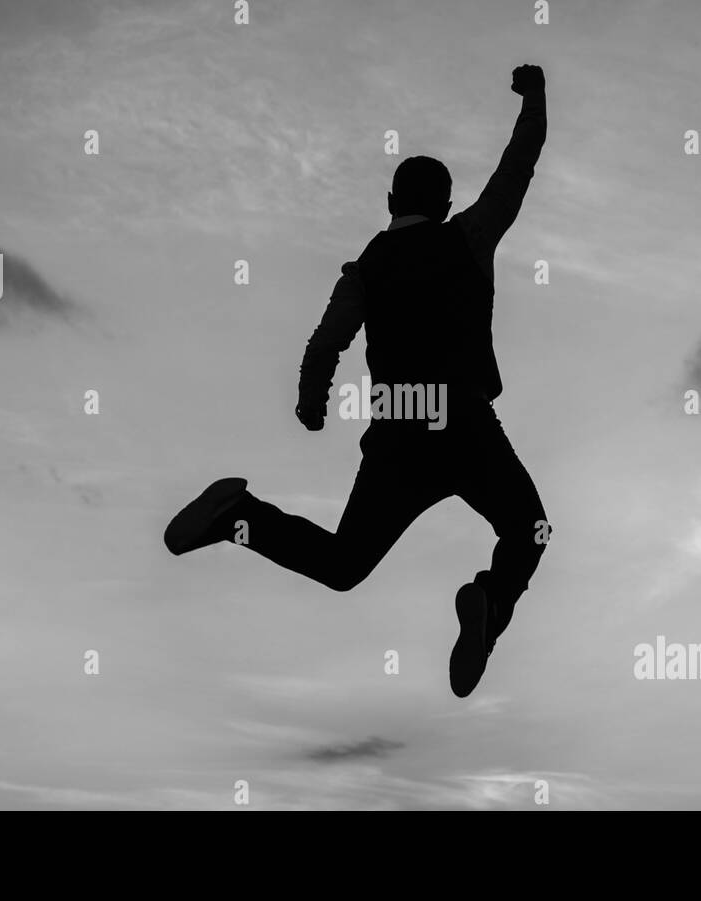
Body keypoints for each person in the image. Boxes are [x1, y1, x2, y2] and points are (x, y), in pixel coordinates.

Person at [166, 65, 549, 698]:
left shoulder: (367, 267)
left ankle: (239, 517)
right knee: (528, 527)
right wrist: (534, 96)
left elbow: (326, 343)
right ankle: (489, 602)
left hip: (398, 430)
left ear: (392, 204)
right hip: (465, 421)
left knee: (343, 565)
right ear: (447, 205)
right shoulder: (470, 238)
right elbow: (519, 166)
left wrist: (311, 400)